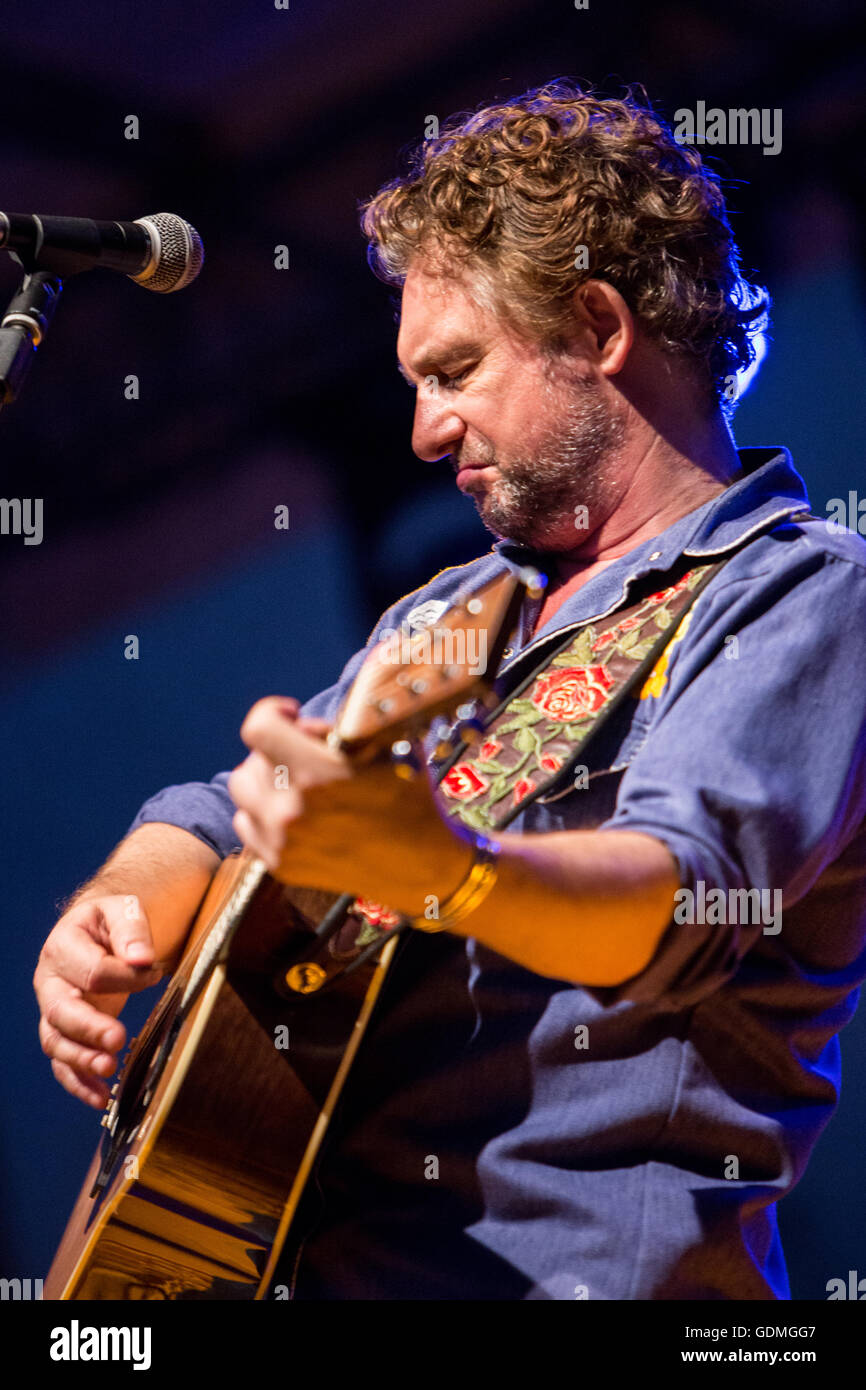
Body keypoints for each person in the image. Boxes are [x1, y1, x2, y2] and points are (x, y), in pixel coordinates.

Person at [34, 82, 866, 1300]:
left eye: (456, 370)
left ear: (592, 325)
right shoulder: (448, 614)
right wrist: (118, 910)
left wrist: (445, 866)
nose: (424, 431)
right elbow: (227, 810)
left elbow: (677, 895)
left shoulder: (800, 593)